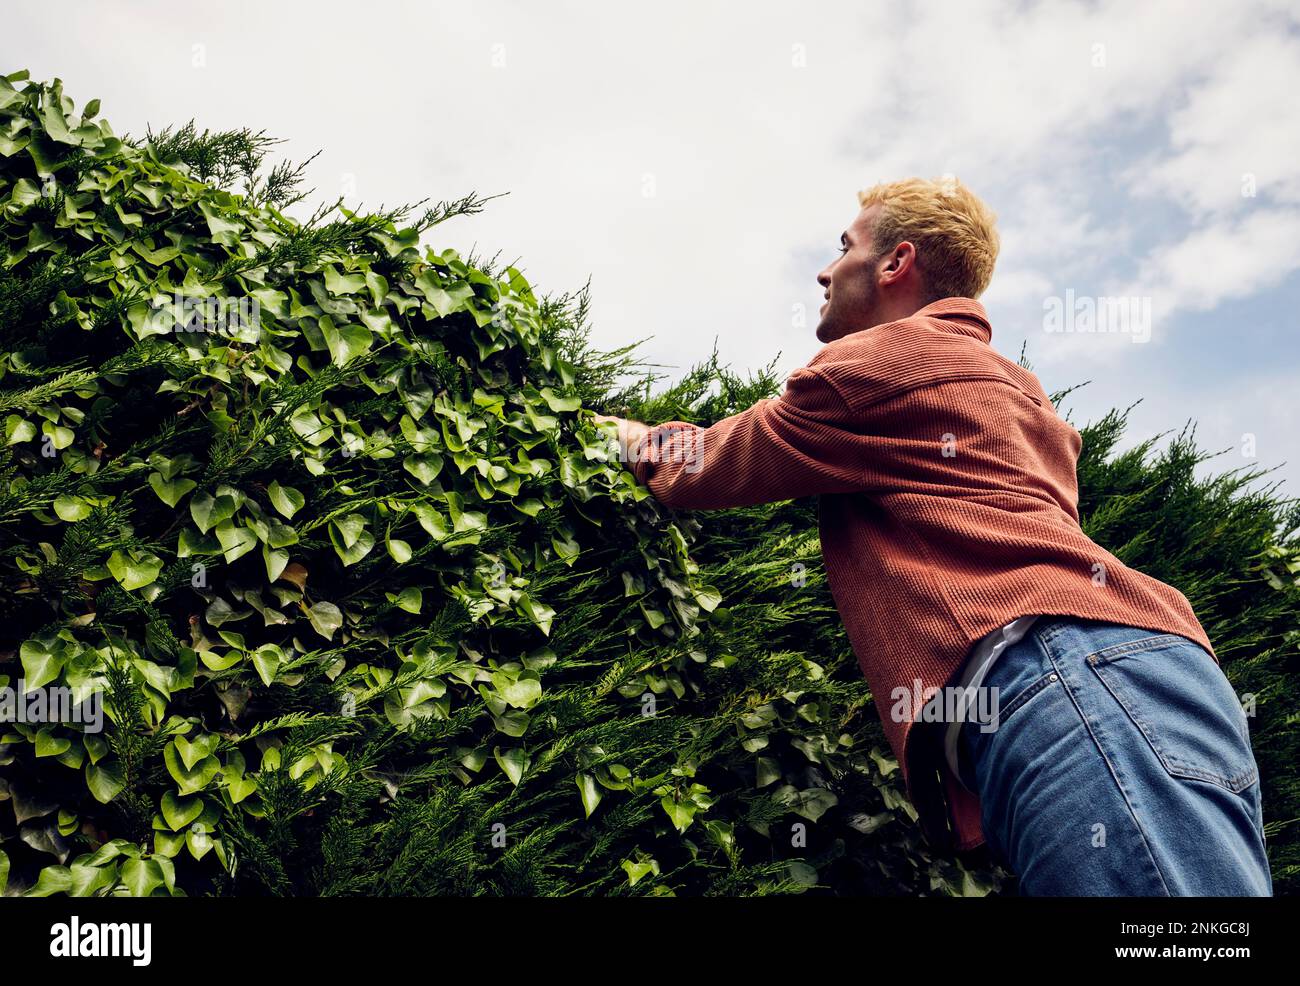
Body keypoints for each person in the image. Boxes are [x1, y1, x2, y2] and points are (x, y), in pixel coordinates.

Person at [593, 176, 1273, 896]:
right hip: (1138, 679)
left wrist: (621, 437)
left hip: (1063, 676)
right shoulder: (1016, 388)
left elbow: (714, 463)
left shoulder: (882, 363)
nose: (826, 270)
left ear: (896, 264)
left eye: (845, 246)